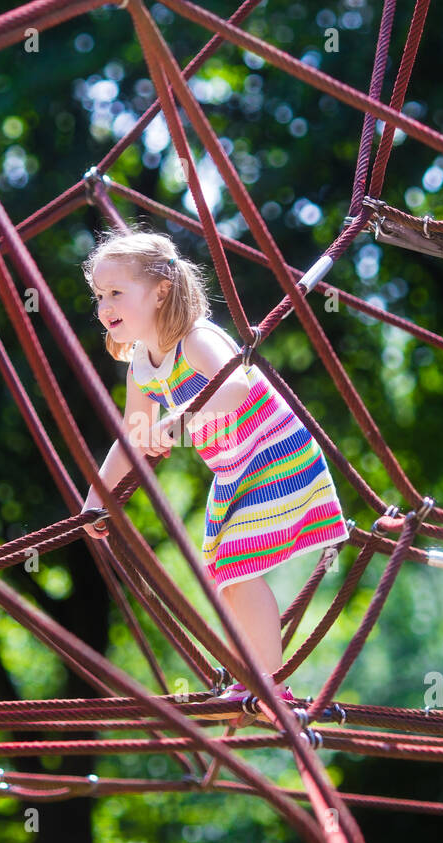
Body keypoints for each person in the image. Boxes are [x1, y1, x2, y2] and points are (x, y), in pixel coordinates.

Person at [79, 227, 351, 705]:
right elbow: (134, 438)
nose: (105, 306)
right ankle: (261, 682)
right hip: (236, 472)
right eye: (100, 295)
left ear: (161, 291)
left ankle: (271, 687)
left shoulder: (196, 338)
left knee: (238, 569)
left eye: (117, 292)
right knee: (224, 575)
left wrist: (178, 420)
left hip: (274, 454)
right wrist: (95, 500)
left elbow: (236, 389)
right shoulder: (141, 366)